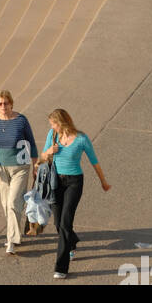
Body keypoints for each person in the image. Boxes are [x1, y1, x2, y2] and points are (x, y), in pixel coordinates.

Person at [36, 108, 110, 279]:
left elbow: (94, 162)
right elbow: (42, 155)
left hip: (74, 183)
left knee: (65, 222)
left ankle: (61, 267)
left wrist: (103, 181)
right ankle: (72, 241)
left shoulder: (81, 139)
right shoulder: (53, 135)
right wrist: (49, 152)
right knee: (58, 223)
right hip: (56, 182)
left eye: (54, 124)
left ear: (62, 122)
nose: (52, 127)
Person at [0, 90, 38, 254]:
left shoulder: (21, 120)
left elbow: (32, 143)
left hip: (20, 167)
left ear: (11, 103)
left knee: (13, 202)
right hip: (1, 168)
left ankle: (11, 240)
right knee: (7, 204)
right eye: (0, 103)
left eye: (6, 103)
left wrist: (36, 165)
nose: (3, 106)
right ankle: (15, 231)